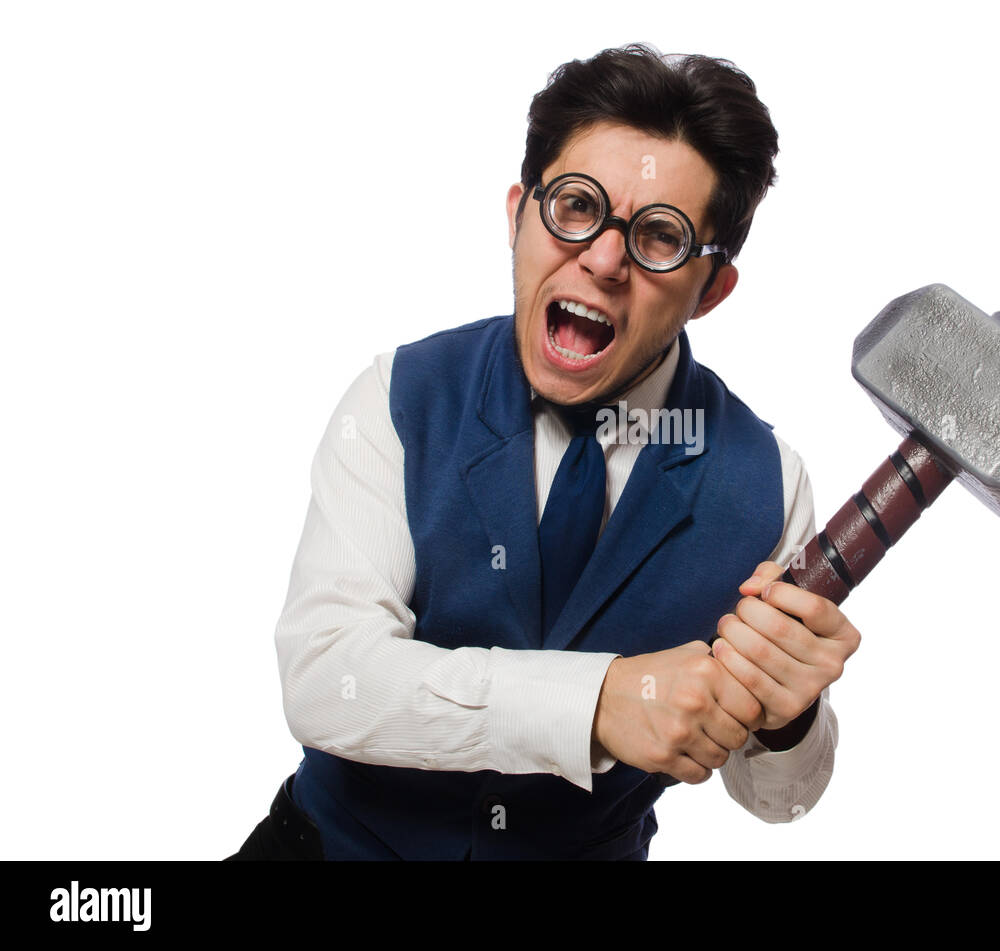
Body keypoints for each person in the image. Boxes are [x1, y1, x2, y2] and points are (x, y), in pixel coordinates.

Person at [227, 43, 861, 861]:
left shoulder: (768, 485)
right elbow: (325, 679)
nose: (602, 259)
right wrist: (595, 703)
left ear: (712, 288)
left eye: (660, 236)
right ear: (519, 210)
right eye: (574, 207)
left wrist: (791, 715)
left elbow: (781, 801)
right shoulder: (399, 397)